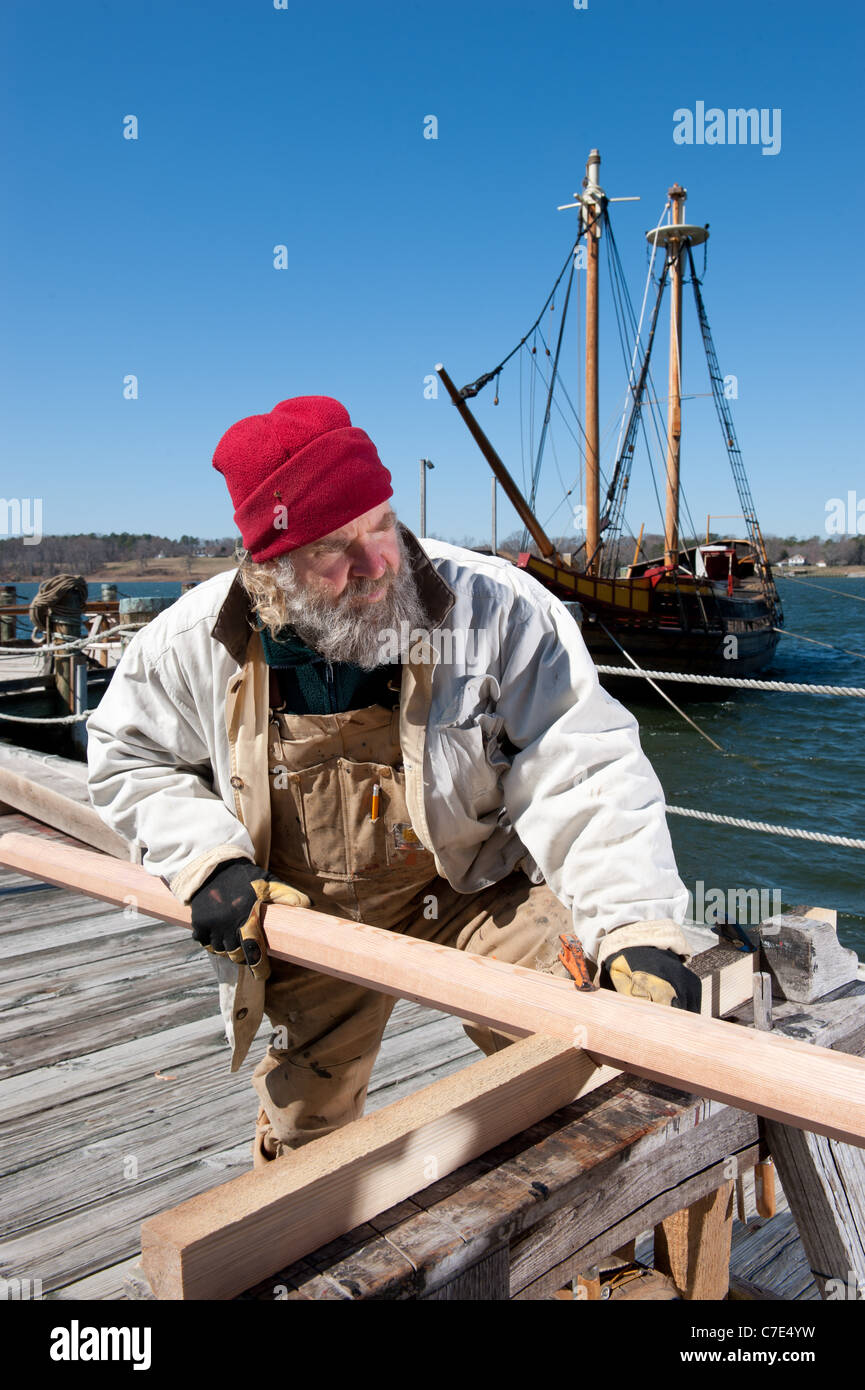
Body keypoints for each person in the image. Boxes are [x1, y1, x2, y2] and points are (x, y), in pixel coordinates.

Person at [87, 395, 698, 1164]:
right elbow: (126, 753)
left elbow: (581, 763)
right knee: (308, 1134)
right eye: (332, 550)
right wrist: (207, 861)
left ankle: (592, 1237)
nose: (378, 564)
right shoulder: (192, 640)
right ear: (271, 568)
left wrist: (636, 928)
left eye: (380, 523)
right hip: (309, 911)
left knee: (579, 1055)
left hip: (470, 886)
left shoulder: (499, 608)